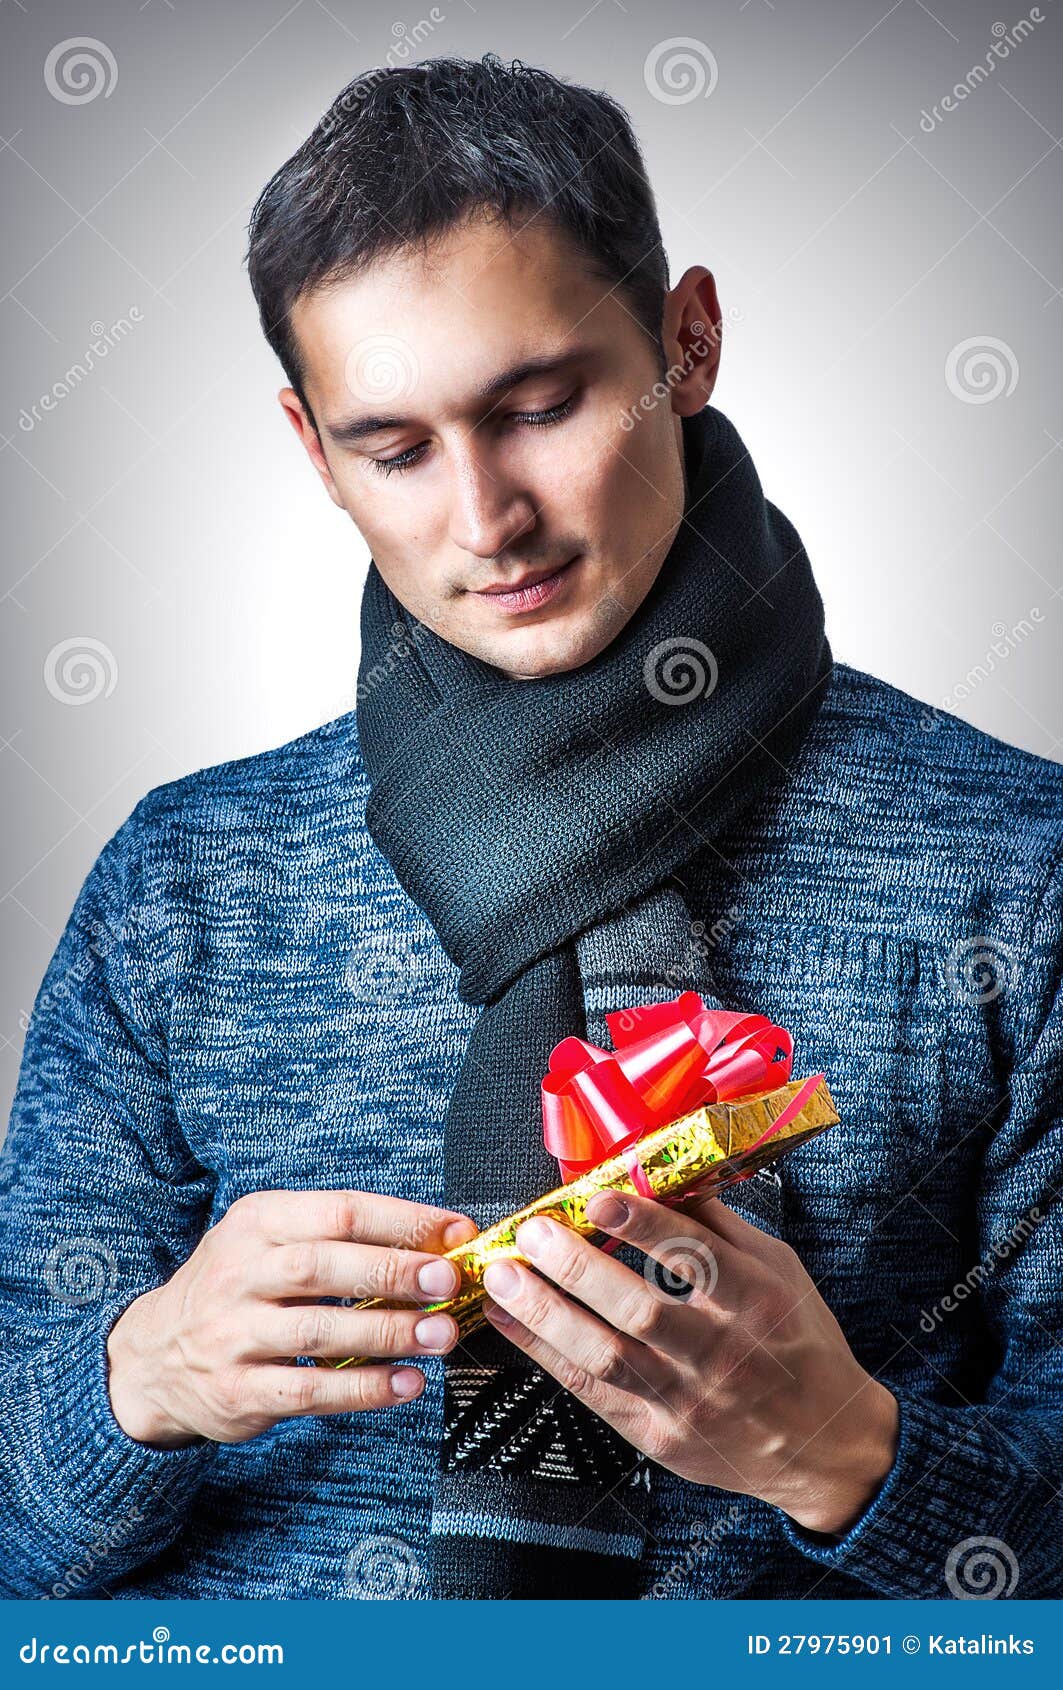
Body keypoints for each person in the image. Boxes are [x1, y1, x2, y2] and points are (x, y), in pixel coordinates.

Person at [1, 52, 1060, 1603]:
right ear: (310, 448)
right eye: (396, 447)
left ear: (687, 342)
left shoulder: (1017, 870)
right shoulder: (183, 883)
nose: (487, 517)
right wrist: (135, 1385)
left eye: (542, 406)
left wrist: (836, 1445)